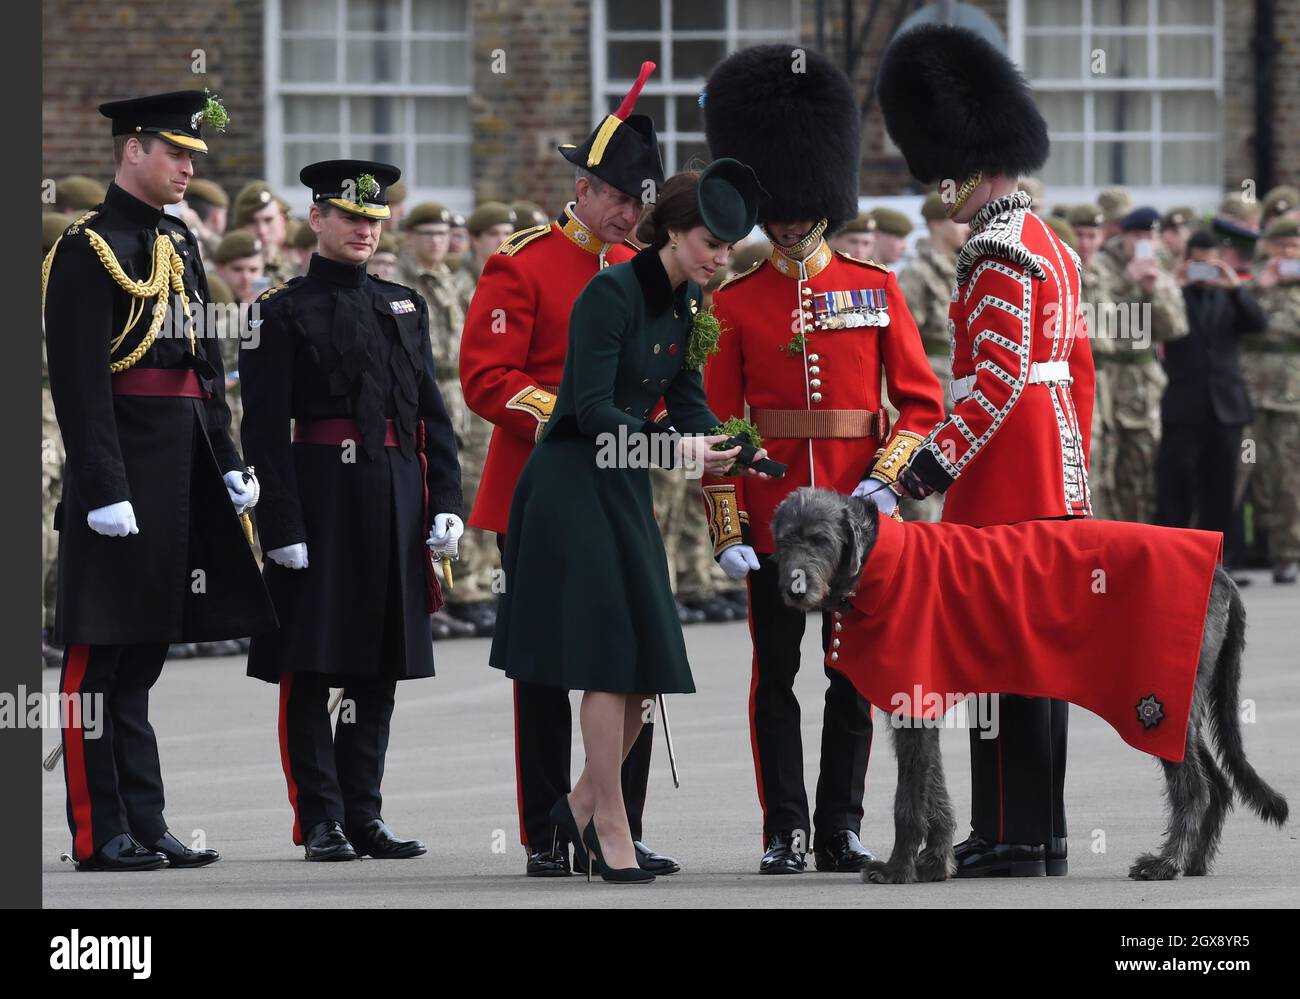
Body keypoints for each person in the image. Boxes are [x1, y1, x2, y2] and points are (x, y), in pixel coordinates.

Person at [700, 44, 945, 875]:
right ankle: (785, 828)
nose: (792, 223)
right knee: (775, 681)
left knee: (852, 679)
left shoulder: (874, 289)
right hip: (772, 520)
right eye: (780, 211)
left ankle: (840, 824)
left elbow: (920, 401)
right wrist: (726, 522)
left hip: (856, 519)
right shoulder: (732, 300)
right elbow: (719, 425)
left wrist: (884, 480)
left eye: (803, 211)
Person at [490, 161, 769, 883]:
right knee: (609, 668)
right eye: (711, 243)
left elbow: (688, 400)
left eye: (729, 249)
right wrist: (677, 446)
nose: (720, 258)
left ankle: (577, 807)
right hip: (569, 486)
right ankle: (609, 826)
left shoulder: (687, 306)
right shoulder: (610, 292)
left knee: (646, 671)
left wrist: (737, 443)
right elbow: (587, 412)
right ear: (673, 233)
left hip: (620, 486)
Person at [878, 23, 1096, 877]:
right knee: (1034, 658)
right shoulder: (1050, 243)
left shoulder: (995, 249)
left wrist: (924, 470)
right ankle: (1039, 832)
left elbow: (996, 382)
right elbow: (1068, 374)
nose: (939, 189)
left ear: (975, 163)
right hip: (1051, 463)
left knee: (1001, 655)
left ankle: (1009, 832)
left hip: (1009, 475)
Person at [43, 90, 277, 871]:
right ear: (133, 148)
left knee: (142, 658)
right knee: (96, 659)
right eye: (175, 152)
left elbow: (203, 370)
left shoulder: (178, 243)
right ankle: (96, 829)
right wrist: (102, 484)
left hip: (178, 465)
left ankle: (145, 818)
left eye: (191, 156)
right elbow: (78, 380)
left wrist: (231, 456)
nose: (186, 167)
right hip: (120, 473)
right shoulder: (84, 247)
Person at [460, 61, 679, 877]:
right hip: (539, 492)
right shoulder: (522, 262)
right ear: (584, 189)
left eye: (639, 202)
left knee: (633, 660)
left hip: (620, 482)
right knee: (549, 669)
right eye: (619, 198)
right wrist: (575, 416)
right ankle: (549, 831)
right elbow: (487, 378)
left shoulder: (640, 273)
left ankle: (620, 820)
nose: (630, 213)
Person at [239, 159, 464, 862]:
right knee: (310, 661)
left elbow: (433, 413)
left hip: (395, 491)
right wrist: (281, 524)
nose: (364, 230)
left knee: (378, 661)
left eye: (373, 219)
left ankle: (363, 811)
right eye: (350, 217)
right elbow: (263, 428)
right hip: (319, 495)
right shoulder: (277, 310)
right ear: (317, 219)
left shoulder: (403, 304)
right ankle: (321, 816)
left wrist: (446, 502)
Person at [399, 201, 499, 639]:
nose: (436, 242)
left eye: (442, 235)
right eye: (427, 234)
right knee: (428, 493)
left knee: (468, 490)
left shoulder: (454, 282)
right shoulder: (401, 279)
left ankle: (470, 587)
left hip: (459, 392)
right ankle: (439, 590)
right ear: (410, 237)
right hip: (427, 386)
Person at [1155, 229, 1265, 538]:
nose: (1204, 272)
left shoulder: (1229, 294)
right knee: (1176, 486)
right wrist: (1172, 285)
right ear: (1186, 261)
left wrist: (1235, 287)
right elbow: (1149, 326)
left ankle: (1217, 562)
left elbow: (1258, 323)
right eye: (1197, 263)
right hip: (1184, 406)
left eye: (1210, 263)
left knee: (1221, 488)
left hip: (1227, 407)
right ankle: (1175, 555)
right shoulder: (1174, 295)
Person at [1091, 207, 1189, 523]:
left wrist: (1153, 291)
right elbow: (1093, 321)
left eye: (1150, 236)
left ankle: (1138, 537)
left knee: (1142, 463)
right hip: (1106, 374)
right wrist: (1125, 281)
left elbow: (1175, 329)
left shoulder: (1160, 268)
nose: (1144, 242)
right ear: (1124, 235)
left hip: (1142, 380)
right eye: (1137, 236)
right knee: (1104, 465)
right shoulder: (1100, 265)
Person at [1241, 217, 1300, 584]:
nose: (1288, 253)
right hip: (1249, 389)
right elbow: (1240, 318)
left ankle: (1286, 552)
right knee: (1241, 472)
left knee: (1287, 477)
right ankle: (1238, 548)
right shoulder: (1255, 280)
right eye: (1282, 247)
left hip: (1290, 394)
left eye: (1294, 247)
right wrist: (1262, 288)